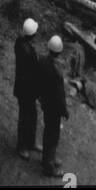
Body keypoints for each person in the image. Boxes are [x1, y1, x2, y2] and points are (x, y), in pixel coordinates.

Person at [37, 36, 69, 177]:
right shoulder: (57, 72)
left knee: (47, 133)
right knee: (53, 135)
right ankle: (48, 167)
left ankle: (47, 158)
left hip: (45, 103)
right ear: (59, 52)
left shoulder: (42, 60)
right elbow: (60, 95)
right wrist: (64, 111)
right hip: (54, 108)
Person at [14, 18, 41, 159]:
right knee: (25, 118)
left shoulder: (19, 42)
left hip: (22, 87)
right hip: (27, 90)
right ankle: (22, 146)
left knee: (32, 116)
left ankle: (30, 142)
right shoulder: (28, 52)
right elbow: (34, 72)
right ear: (33, 35)